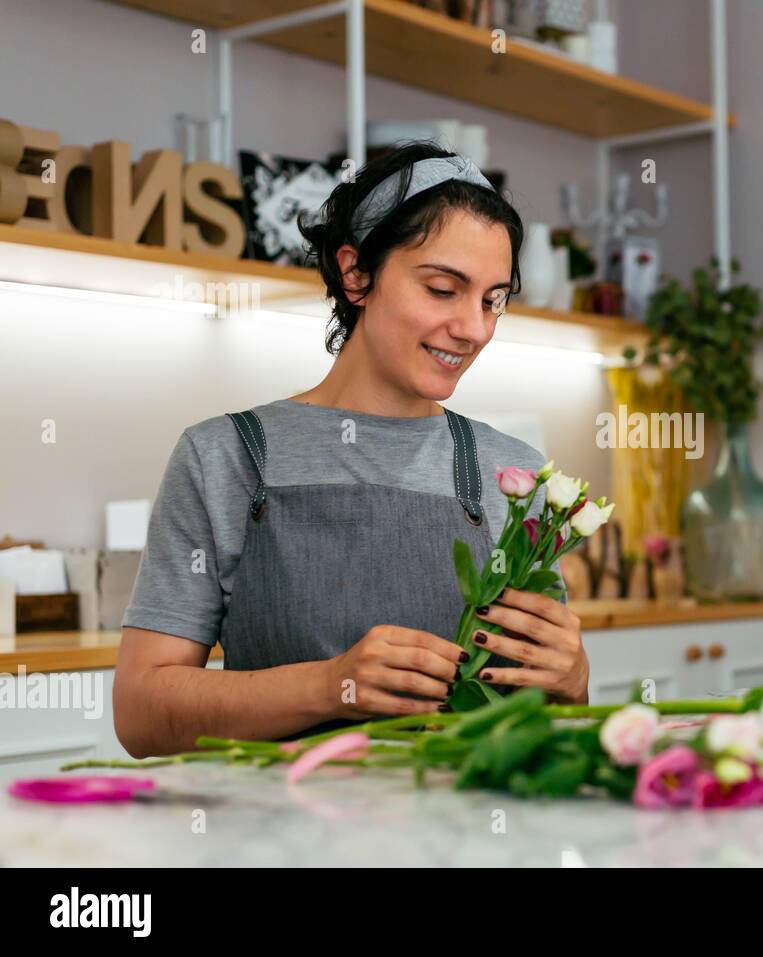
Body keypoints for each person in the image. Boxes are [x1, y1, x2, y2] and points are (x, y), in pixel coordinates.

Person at [114, 143, 588, 758]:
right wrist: (329, 684)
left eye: (492, 299)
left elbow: (541, 714)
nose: (473, 327)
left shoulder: (515, 477)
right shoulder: (225, 458)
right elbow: (141, 712)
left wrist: (573, 681)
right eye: (444, 289)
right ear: (355, 272)